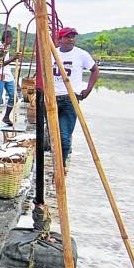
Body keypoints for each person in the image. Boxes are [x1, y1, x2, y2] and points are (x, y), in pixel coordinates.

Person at [51, 26, 99, 168]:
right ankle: (57, 161)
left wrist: (88, 90)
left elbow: (95, 70)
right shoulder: (52, 54)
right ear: (59, 40)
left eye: (73, 37)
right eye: (67, 37)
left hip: (70, 99)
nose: (71, 39)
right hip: (52, 99)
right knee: (53, 135)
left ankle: (61, 166)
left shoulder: (81, 54)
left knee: (65, 137)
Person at [0, 30, 20, 127]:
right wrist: (13, 58)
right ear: (6, 38)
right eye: (11, 38)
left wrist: (14, 58)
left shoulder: (7, 47)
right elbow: (0, 64)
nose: (12, 40)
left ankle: (6, 116)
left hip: (8, 74)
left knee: (14, 96)